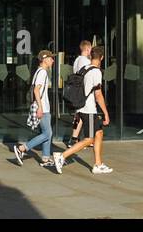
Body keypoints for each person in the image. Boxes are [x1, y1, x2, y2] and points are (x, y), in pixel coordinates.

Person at [54, 45, 111, 175]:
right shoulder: (96, 72)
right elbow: (98, 94)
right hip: (88, 109)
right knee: (89, 139)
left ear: (91, 56)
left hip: (80, 107)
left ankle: (98, 164)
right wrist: (106, 113)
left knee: (99, 133)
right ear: (102, 57)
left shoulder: (84, 68)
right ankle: (62, 156)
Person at [14, 50, 56, 166]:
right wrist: (40, 108)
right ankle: (22, 148)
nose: (53, 60)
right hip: (42, 107)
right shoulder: (42, 72)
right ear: (45, 59)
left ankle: (46, 158)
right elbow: (36, 90)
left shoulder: (40, 71)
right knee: (47, 133)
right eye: (51, 58)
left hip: (43, 106)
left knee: (47, 133)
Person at [66, 40, 93, 147]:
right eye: (90, 49)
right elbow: (88, 76)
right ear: (87, 49)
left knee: (79, 115)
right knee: (87, 114)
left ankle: (74, 138)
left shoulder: (77, 60)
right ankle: (87, 139)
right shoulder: (85, 62)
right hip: (83, 91)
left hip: (77, 90)